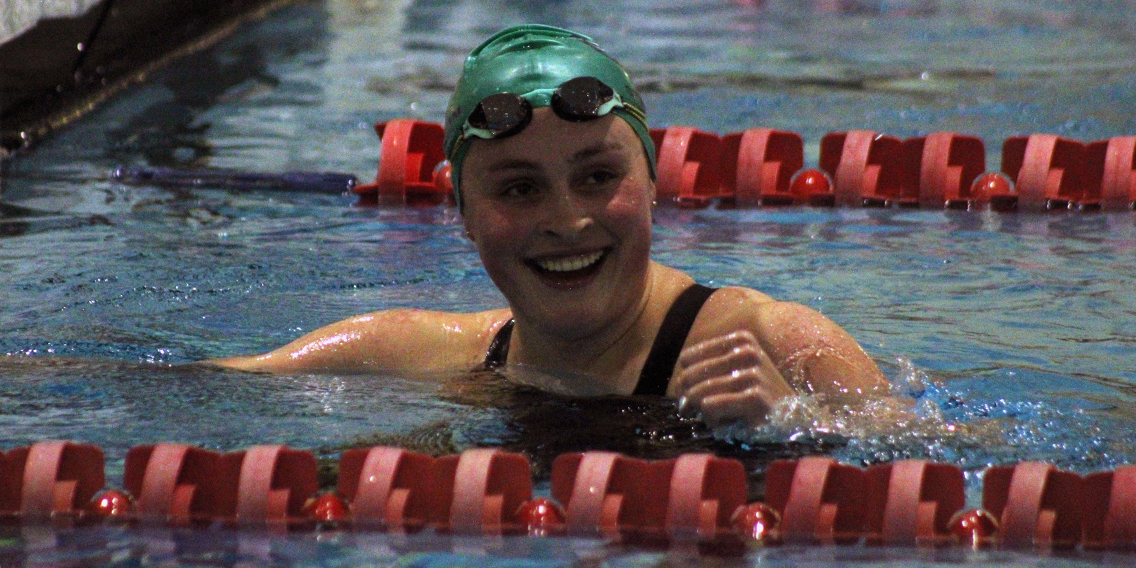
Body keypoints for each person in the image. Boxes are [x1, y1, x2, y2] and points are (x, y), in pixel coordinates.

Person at [212, 24, 890, 426]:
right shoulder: (420, 356)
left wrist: (801, 428)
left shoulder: (776, 345)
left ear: (653, 183)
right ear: (464, 216)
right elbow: (191, 388)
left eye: (598, 176)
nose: (567, 220)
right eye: (519, 188)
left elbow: (959, 458)